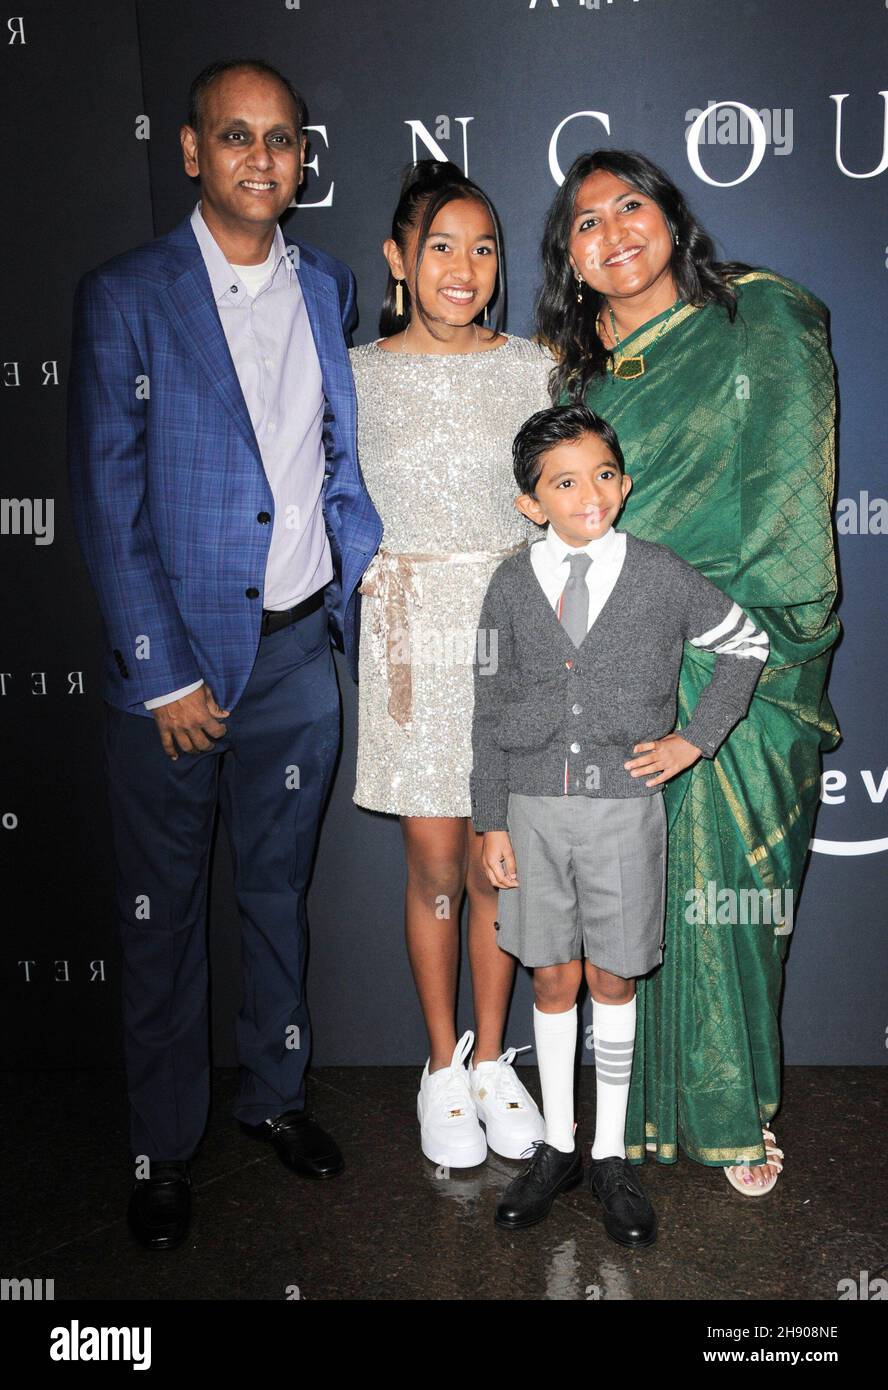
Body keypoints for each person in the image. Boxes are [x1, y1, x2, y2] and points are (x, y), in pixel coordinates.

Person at [67, 58, 382, 1250]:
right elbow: (105, 499)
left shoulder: (329, 287)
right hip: (177, 679)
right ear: (193, 152)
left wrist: (356, 569)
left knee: (272, 901)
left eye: (283, 140)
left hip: (300, 662)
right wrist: (162, 671)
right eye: (236, 137)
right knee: (161, 920)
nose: (264, 157)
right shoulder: (127, 295)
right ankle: (160, 1149)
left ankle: (278, 1099)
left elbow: (330, 462)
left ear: (303, 160)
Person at [535, 149, 841, 1195]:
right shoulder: (572, 380)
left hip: (734, 650)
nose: (613, 230)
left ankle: (733, 1108)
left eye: (633, 205)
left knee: (726, 891)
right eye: (586, 222)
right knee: (623, 893)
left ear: (672, 216)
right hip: (615, 660)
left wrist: (747, 632)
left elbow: (792, 499)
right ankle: (630, 1120)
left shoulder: (761, 319)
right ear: (569, 260)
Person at [471, 403, 770, 1242]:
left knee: (613, 978)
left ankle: (609, 1153)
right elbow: (488, 705)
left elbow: (745, 644)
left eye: (603, 474)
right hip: (529, 812)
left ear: (626, 483)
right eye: (564, 482)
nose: (588, 493)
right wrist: (490, 818)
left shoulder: (661, 574)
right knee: (553, 979)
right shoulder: (507, 583)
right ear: (532, 504)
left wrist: (693, 740)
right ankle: (557, 1148)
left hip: (623, 814)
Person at [350, 161, 552, 1167]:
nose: (464, 268)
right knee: (433, 865)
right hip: (412, 641)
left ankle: (491, 1059)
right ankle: (440, 1065)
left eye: (483, 247)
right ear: (398, 259)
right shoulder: (355, 373)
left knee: (495, 865)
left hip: (511, 632)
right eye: (440, 246)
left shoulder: (537, 365)